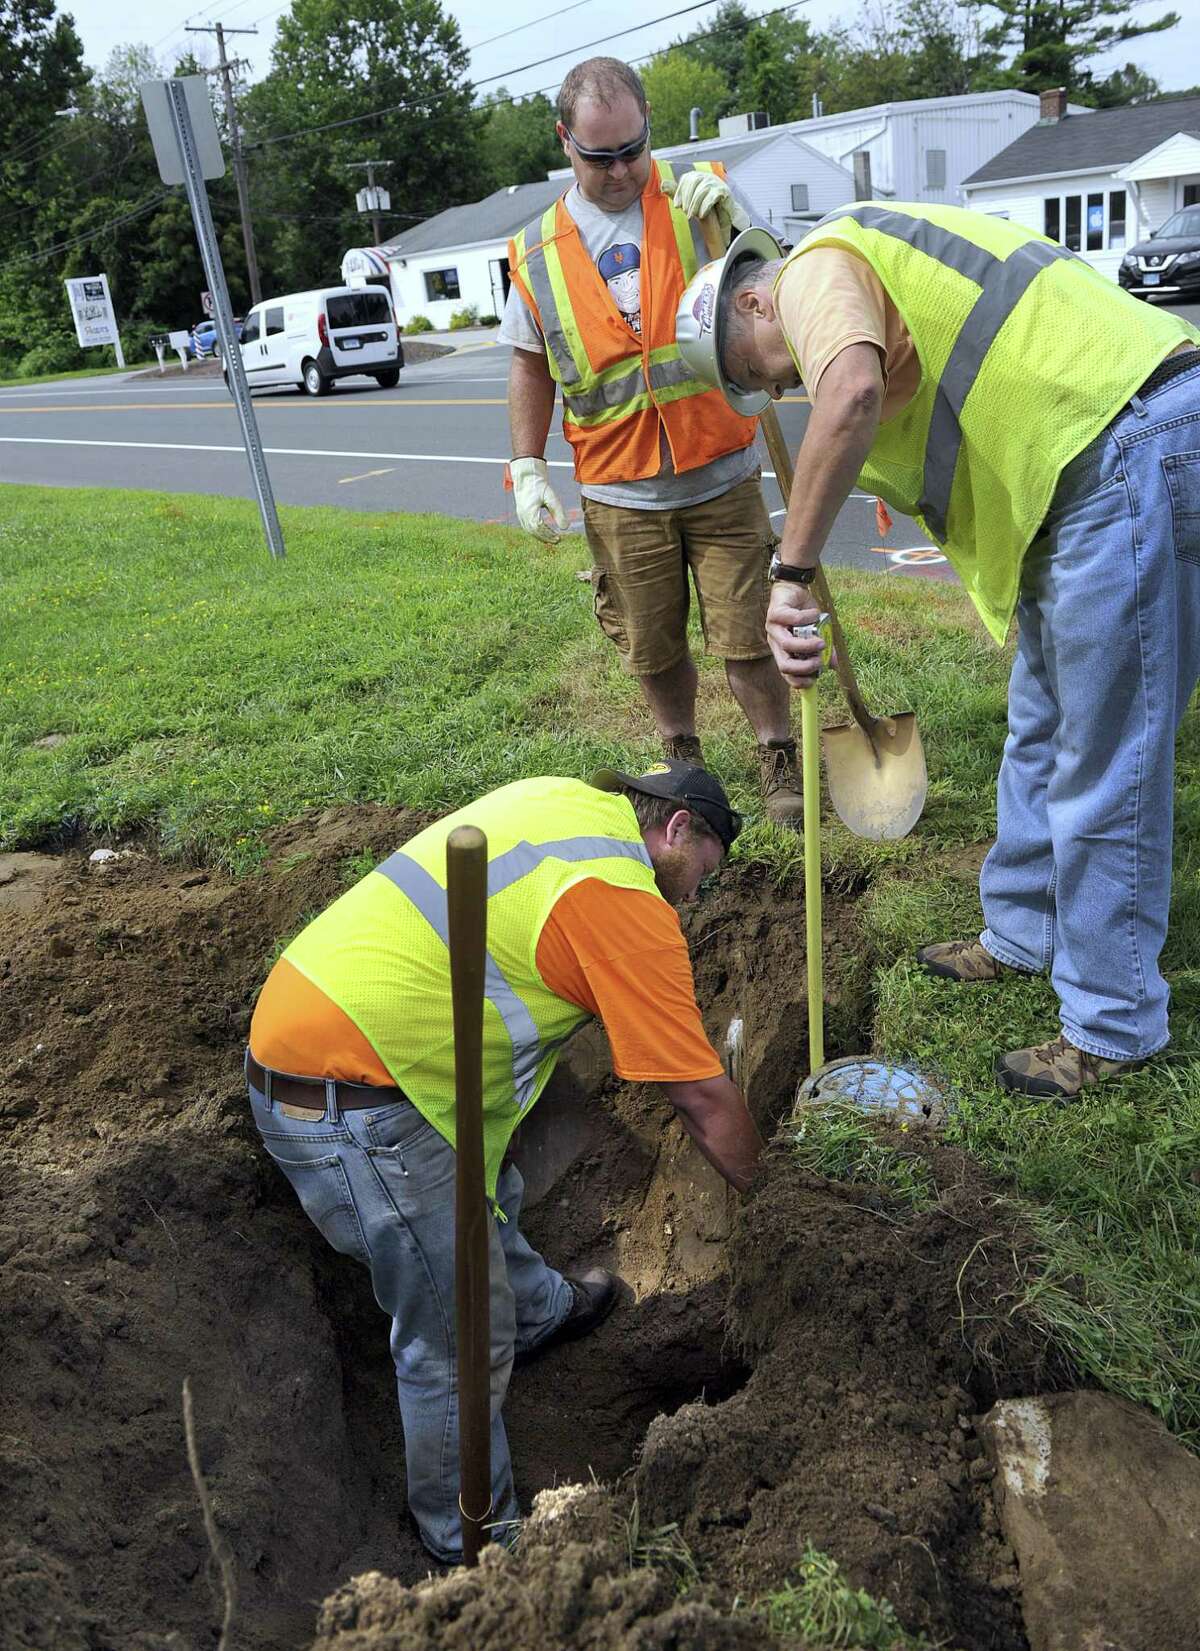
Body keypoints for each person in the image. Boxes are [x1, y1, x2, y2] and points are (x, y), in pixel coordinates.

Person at [674, 202, 1200, 1100]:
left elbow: (852, 396)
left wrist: (791, 573)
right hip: (1074, 471)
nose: (774, 390)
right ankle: (1022, 933)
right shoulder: (853, 279)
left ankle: (1111, 1021)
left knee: (1107, 752)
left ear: (755, 309)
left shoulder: (811, 272)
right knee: (1042, 724)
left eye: (754, 374)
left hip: (1118, 439)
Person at [245, 762, 763, 1564]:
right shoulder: (626, 906)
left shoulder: (570, 803)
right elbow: (701, 1100)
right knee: (456, 1329)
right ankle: (476, 1545)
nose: (693, 899)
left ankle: (531, 1311)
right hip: (346, 1096)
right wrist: (773, 1200)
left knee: (493, 1188)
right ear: (677, 830)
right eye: (702, 876)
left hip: (332, 1029)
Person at [500, 55, 805, 824]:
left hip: (721, 470)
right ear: (564, 141)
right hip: (618, 490)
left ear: (648, 133)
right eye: (599, 156)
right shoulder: (536, 249)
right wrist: (528, 463)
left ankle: (778, 758)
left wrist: (738, 224)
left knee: (746, 638)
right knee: (654, 647)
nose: (620, 170)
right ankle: (682, 761)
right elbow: (531, 363)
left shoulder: (701, 199)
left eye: (634, 150)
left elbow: (778, 294)